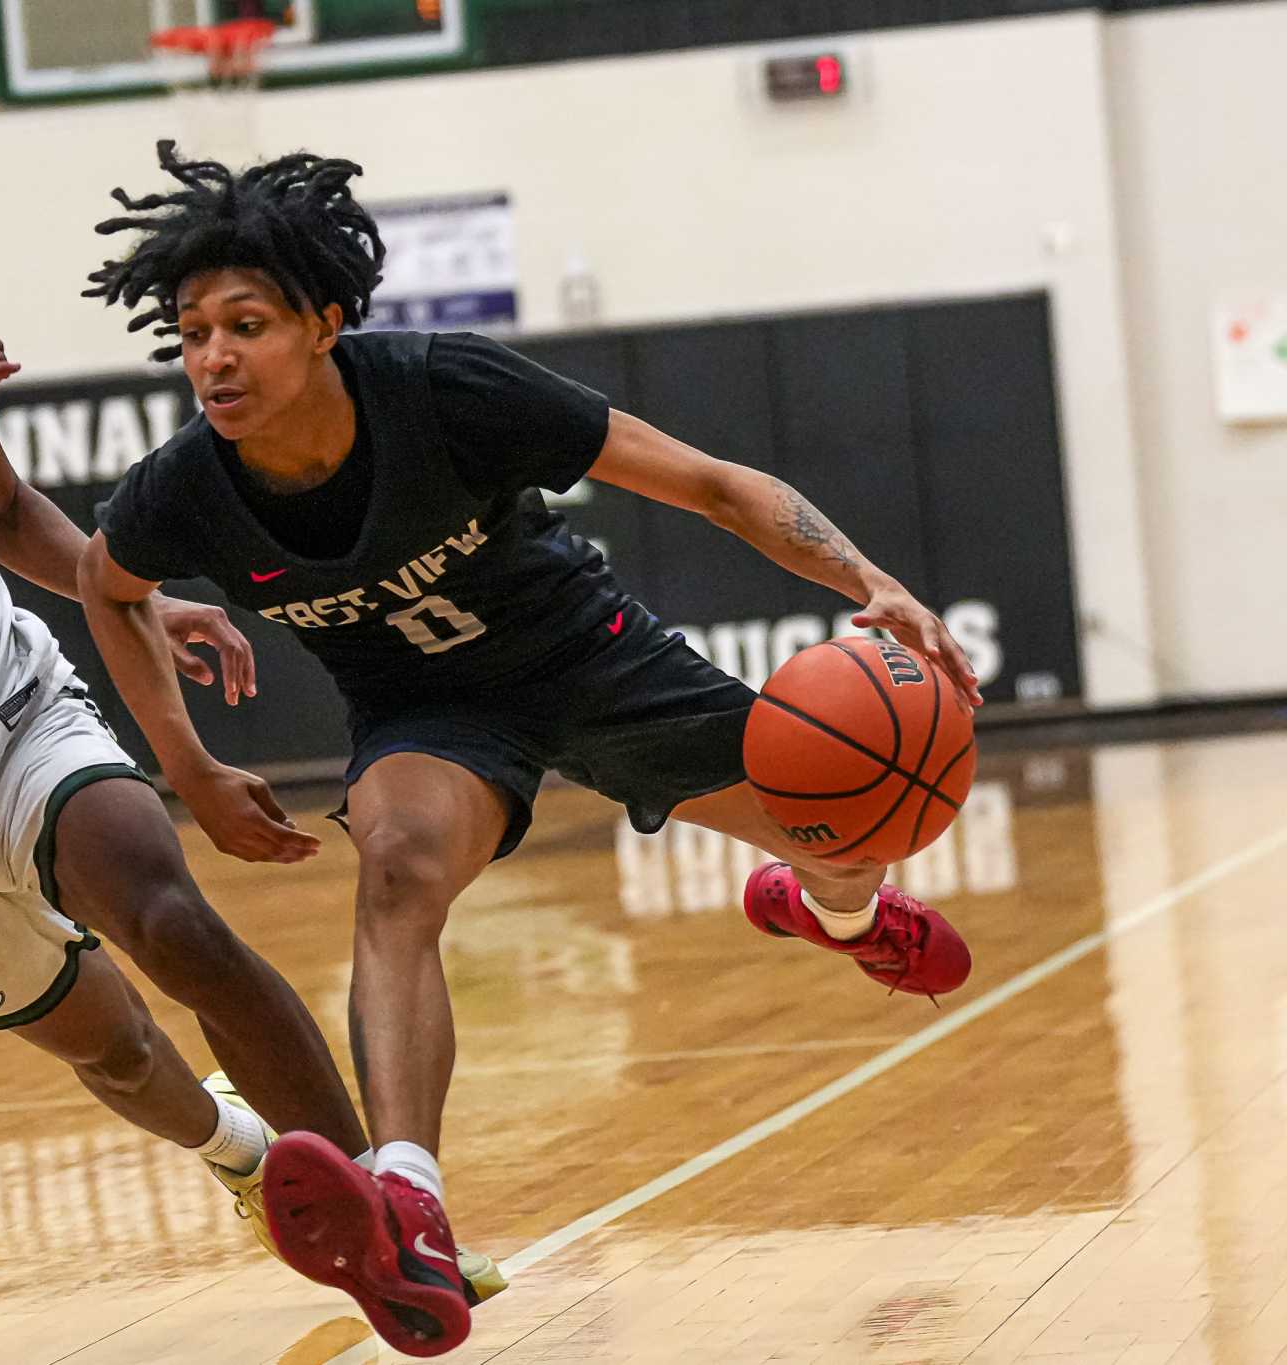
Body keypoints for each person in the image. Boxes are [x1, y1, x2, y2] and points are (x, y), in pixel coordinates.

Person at [78, 142, 981, 1357]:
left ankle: (834, 912)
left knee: (856, 821)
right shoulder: (184, 487)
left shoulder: (450, 390)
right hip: (426, 716)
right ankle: (410, 1202)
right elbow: (107, 585)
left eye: (246, 325)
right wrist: (184, 768)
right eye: (191, 334)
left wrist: (866, 578)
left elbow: (711, 485)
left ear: (326, 322)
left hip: (590, 657)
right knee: (393, 872)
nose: (213, 358)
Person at [0, 72, 504, 1302]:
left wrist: (140, 594)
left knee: (172, 916)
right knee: (112, 1050)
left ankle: (389, 1216)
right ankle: (242, 1155)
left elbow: (0, 511)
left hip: (12, 712)